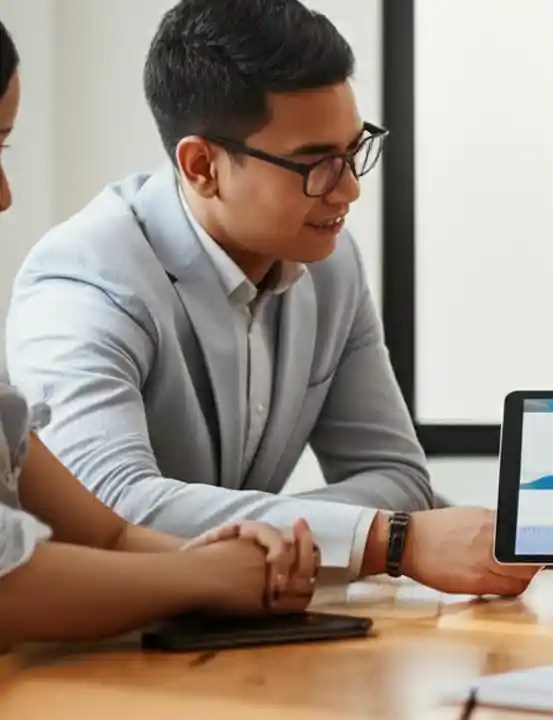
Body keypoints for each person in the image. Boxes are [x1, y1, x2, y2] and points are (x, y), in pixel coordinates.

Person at [5, 0, 534, 596]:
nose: (350, 189)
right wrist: (385, 540)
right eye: (317, 165)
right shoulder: (84, 280)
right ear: (202, 165)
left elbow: (398, 478)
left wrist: (311, 538)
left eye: (354, 151)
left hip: (248, 627)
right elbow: (114, 510)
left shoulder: (331, 263)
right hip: (103, 654)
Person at [0, 17, 318, 645]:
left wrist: (205, 552)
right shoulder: (86, 270)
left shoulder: (328, 268)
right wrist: (203, 579)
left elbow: (106, 532)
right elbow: (12, 581)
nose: (5, 195)